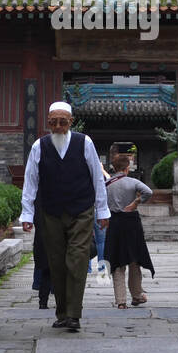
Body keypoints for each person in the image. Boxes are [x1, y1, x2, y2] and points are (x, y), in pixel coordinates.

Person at [18, 101, 110, 332]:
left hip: (82, 209)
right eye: (53, 122)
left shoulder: (84, 142)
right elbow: (30, 182)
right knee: (57, 263)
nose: (58, 126)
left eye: (62, 122)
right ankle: (62, 313)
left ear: (71, 122)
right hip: (51, 212)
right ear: (48, 122)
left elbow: (97, 179)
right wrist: (27, 213)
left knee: (77, 260)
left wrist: (103, 211)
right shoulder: (40, 146)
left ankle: (74, 315)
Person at [103, 153, 155, 308]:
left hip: (114, 223)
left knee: (117, 261)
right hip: (131, 223)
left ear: (114, 167)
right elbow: (148, 192)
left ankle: (120, 301)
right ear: (127, 168)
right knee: (134, 259)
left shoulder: (107, 183)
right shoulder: (133, 182)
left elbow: (99, 201)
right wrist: (136, 202)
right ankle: (137, 295)